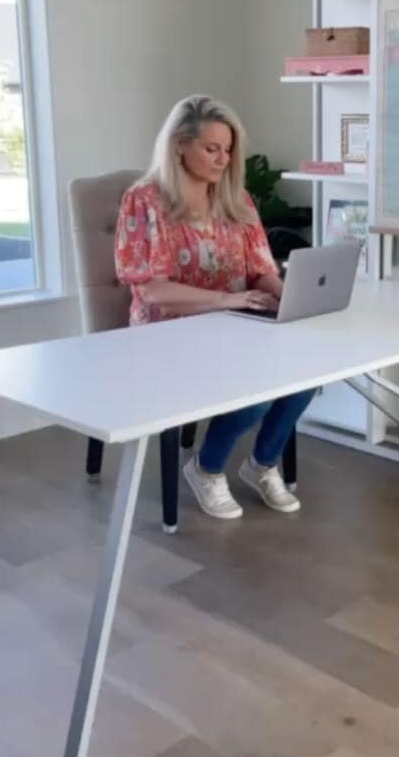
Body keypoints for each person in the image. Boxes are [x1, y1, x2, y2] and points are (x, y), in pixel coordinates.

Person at [114, 95, 314, 520]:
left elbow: (261, 269)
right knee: (255, 392)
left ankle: (261, 464)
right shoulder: (144, 201)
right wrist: (228, 299)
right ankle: (206, 468)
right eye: (212, 149)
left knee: (308, 376)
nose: (224, 159)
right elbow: (152, 290)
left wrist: (288, 296)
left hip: (235, 323)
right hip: (166, 334)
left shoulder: (236, 200)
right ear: (179, 145)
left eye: (228, 149)